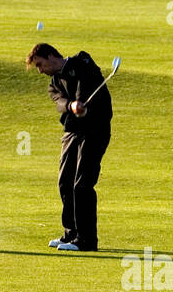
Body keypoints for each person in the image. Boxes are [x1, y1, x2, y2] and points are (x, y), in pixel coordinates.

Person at [26, 43, 112, 252]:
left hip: (95, 131)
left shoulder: (82, 62)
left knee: (82, 184)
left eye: (40, 64)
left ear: (51, 56)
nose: (40, 70)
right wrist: (72, 106)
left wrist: (81, 102)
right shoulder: (54, 83)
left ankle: (86, 241)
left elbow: (86, 79)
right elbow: (59, 101)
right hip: (72, 132)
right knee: (65, 183)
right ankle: (71, 233)